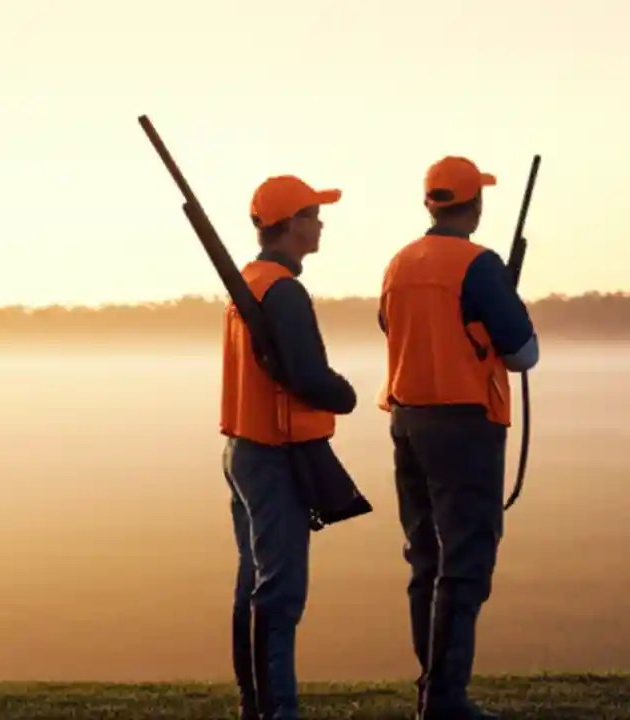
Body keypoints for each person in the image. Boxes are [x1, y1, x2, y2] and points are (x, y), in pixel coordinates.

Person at [377, 156, 539, 720]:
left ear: (430, 203)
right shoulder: (480, 264)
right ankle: (445, 701)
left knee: (425, 559)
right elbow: (523, 353)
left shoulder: (399, 264)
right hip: (465, 427)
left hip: (406, 421)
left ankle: (432, 687)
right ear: (474, 205)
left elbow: (392, 326)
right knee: (466, 562)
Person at [221, 174, 359, 720]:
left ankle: (254, 706)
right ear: (292, 224)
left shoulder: (248, 283)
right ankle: (279, 711)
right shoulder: (283, 290)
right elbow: (307, 376)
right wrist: (344, 395)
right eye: (314, 214)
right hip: (273, 455)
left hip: (241, 449)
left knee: (252, 584)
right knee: (280, 595)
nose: (321, 223)